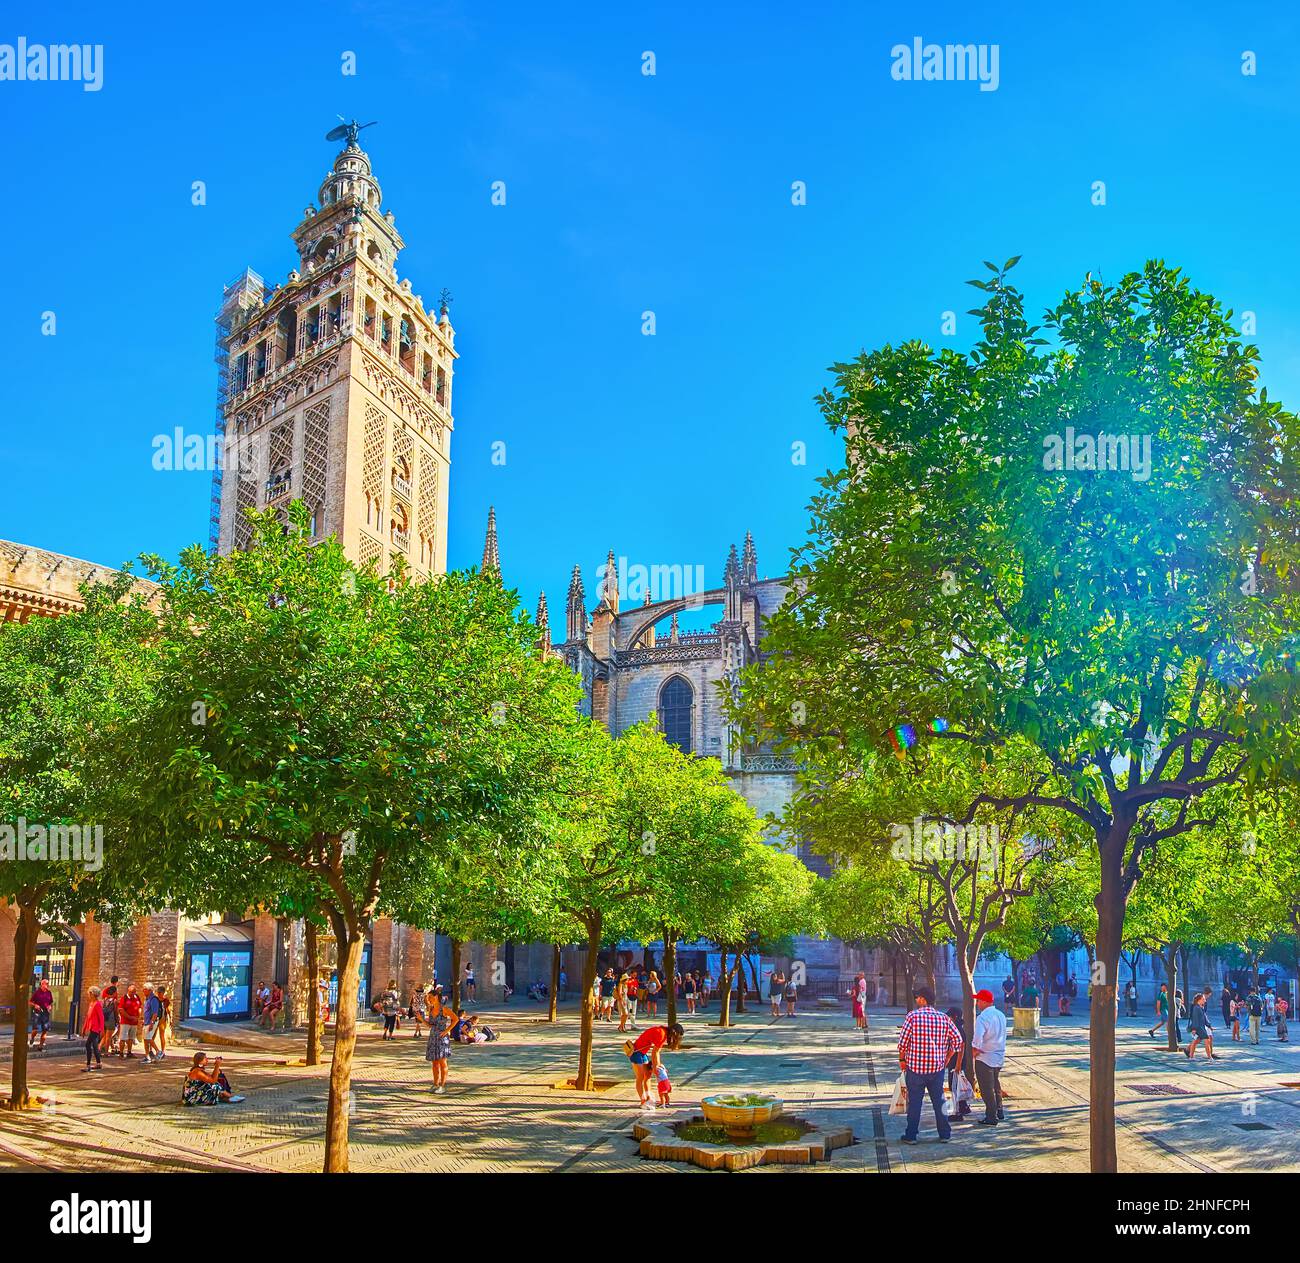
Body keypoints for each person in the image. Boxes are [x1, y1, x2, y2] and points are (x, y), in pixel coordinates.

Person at [897, 987, 963, 1144]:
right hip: (937, 1069)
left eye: (917, 997)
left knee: (915, 1103)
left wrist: (902, 1061)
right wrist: (947, 1058)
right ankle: (945, 1134)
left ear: (922, 999)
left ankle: (911, 1135)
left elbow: (902, 1044)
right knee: (939, 1101)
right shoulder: (944, 1018)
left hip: (915, 1069)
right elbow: (958, 1041)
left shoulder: (912, 1017)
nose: (916, 1000)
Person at [627, 1022, 684, 1111]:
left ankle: (648, 1097)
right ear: (675, 1033)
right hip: (636, 1053)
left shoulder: (663, 1032)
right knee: (640, 1077)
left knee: (647, 1077)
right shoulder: (662, 1034)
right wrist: (656, 1067)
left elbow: (656, 1052)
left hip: (642, 1053)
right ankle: (643, 1101)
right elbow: (655, 1052)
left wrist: (657, 1065)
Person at [970, 988, 1007, 1126]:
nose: (977, 1003)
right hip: (998, 1054)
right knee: (995, 1083)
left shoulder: (983, 1017)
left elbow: (978, 1037)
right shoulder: (1001, 1015)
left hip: (984, 1056)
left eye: (978, 1000)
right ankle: (999, 1109)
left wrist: (974, 1050)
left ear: (985, 1002)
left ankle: (991, 1116)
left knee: (986, 1088)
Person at [944, 1007, 972, 1119]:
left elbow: (961, 1047)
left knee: (954, 1087)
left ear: (954, 1016)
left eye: (949, 1016)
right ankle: (964, 1106)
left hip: (956, 1062)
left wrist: (958, 1065)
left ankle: (958, 1113)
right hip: (956, 1062)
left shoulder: (958, 1029)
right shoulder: (957, 1028)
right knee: (957, 1085)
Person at [425, 987, 452, 1093]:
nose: (429, 999)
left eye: (430, 997)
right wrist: (421, 1019)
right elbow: (430, 1025)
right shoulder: (431, 1010)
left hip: (442, 1038)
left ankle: (442, 1085)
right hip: (433, 1037)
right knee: (434, 1062)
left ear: (436, 997)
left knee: (442, 1062)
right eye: (428, 998)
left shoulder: (444, 1009)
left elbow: (455, 1019)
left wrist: (447, 1030)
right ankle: (435, 1084)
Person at [1185, 992, 1220, 1060]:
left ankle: (1191, 1057)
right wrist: (1194, 1029)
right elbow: (1195, 1019)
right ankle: (1210, 1057)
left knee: (1196, 1041)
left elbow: (1205, 1018)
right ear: (1199, 1000)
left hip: (1201, 1027)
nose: (1205, 1000)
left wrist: (1209, 1026)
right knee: (1206, 1040)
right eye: (1203, 999)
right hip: (1199, 1028)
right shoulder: (1196, 1008)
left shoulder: (1200, 1007)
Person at [81, 985, 105, 1071]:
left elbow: (101, 1017)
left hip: (95, 1029)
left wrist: (102, 1030)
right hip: (91, 1027)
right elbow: (88, 1017)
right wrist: (84, 1028)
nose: (88, 995)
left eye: (89, 993)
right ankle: (98, 1063)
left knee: (88, 1044)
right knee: (95, 1046)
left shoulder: (97, 1004)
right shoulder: (91, 1003)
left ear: (92, 994)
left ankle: (88, 1065)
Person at [117, 983, 143, 1059]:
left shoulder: (137, 997)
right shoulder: (124, 998)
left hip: (134, 1022)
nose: (133, 993)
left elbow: (140, 1007)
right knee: (123, 1038)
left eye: (134, 992)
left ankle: (129, 1052)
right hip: (125, 1022)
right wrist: (130, 1017)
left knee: (131, 1038)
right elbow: (121, 1010)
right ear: (128, 991)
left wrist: (139, 1015)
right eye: (131, 992)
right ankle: (121, 1053)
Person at [29, 977, 53, 1051]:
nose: (47, 985)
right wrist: (35, 1005)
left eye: (48, 984)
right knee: (35, 1029)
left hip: (45, 1013)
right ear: (41, 984)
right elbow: (30, 1002)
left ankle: (40, 1046)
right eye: (45, 984)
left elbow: (51, 1003)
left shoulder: (49, 993)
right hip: (37, 1012)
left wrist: (50, 1007)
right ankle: (32, 1038)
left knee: (45, 1030)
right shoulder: (37, 992)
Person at [141, 985, 163, 1064]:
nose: (143, 991)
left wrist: (152, 1023)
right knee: (145, 1039)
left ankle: (158, 1051)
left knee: (148, 1038)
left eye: (145, 990)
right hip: (146, 1022)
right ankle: (147, 1057)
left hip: (151, 1022)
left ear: (150, 990)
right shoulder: (147, 999)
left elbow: (155, 1013)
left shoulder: (153, 999)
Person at [101, 978, 120, 1056]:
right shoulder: (114, 1001)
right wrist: (117, 1019)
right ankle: (105, 1051)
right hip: (111, 1019)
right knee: (108, 1036)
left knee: (106, 1035)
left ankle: (111, 1048)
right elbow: (115, 1011)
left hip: (104, 1018)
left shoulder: (105, 999)